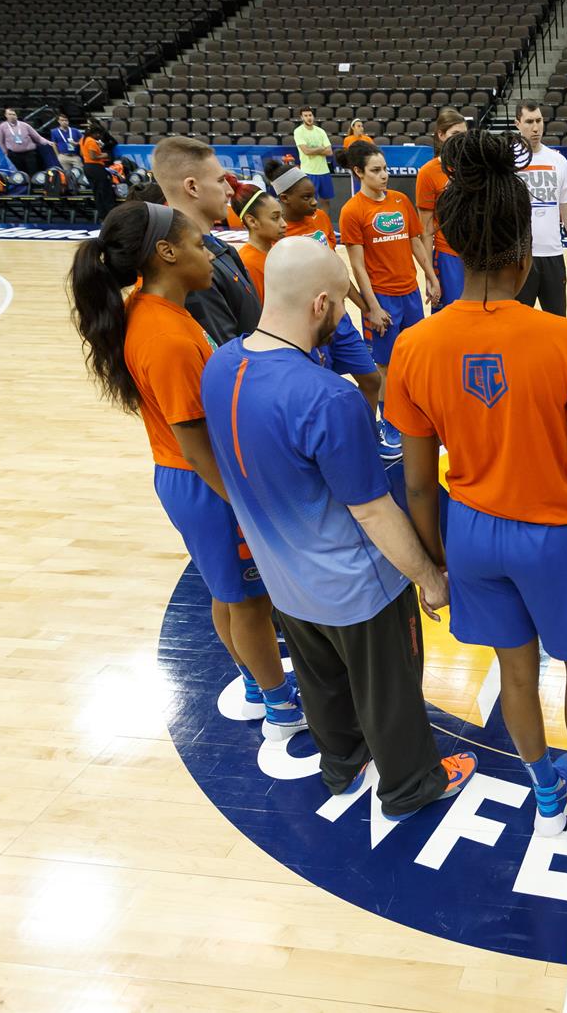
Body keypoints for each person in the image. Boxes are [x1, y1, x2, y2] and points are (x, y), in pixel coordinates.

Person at [385, 129, 567, 850]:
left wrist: (435, 564)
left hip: (469, 531)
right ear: (525, 252)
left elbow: (416, 480)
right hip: (551, 532)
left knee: (515, 670)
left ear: (456, 249)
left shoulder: (415, 346)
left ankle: (547, 791)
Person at [199, 237, 477, 818]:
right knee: (390, 690)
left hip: (285, 580)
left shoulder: (221, 364)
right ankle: (410, 785)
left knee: (321, 680)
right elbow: (373, 509)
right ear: (321, 305)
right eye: (345, 305)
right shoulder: (329, 397)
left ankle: (342, 765)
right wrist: (428, 576)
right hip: (357, 589)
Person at [67, 201, 304, 740]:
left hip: (186, 479)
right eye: (200, 245)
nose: (211, 254)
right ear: (166, 253)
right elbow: (195, 441)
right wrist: (248, 502)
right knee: (249, 602)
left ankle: (253, 684)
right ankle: (281, 709)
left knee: (227, 592)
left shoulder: (151, 311)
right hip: (204, 481)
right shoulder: (166, 337)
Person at [264, 157, 386, 430]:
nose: (315, 203)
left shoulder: (319, 219)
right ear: (285, 198)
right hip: (307, 327)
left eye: (314, 196)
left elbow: (336, 269)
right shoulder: (276, 236)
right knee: (322, 392)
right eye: (306, 198)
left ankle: (368, 434)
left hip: (338, 317)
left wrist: (366, 307)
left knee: (371, 379)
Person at [339, 141, 438, 461]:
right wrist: (372, 307)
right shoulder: (352, 210)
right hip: (382, 298)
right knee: (384, 364)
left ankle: (419, 411)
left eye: (385, 170)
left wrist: (431, 276)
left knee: (415, 357)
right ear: (358, 172)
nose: (384, 176)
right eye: (376, 171)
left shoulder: (400, 200)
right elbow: (357, 264)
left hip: (410, 294)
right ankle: (390, 422)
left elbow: (416, 242)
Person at [152, 136, 260, 344]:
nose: (229, 190)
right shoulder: (189, 268)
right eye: (221, 181)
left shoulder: (221, 248)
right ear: (192, 187)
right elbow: (226, 357)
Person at [513, 100, 567, 316]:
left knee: (557, 320)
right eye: (529, 122)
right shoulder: (507, 160)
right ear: (517, 123)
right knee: (518, 325)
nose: (535, 128)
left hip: (552, 254)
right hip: (519, 256)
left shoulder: (557, 161)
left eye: (539, 121)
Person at [415, 108, 468, 311]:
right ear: (441, 135)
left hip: (474, 253)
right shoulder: (428, 173)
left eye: (464, 135)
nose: (461, 140)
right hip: (447, 256)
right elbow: (426, 228)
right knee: (449, 318)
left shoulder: (474, 166)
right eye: (455, 135)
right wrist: (429, 275)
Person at [231, 183, 284, 300]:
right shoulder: (248, 264)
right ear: (252, 221)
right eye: (275, 218)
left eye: (282, 216)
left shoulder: (278, 249)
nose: (284, 224)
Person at [291, 108, 334, 202]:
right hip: (308, 172)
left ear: (313, 116)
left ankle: (324, 217)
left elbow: (329, 151)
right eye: (306, 116)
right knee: (310, 201)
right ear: (301, 117)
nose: (308, 118)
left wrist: (313, 150)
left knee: (326, 200)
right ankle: (311, 218)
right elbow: (306, 151)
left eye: (310, 115)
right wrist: (320, 148)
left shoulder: (321, 131)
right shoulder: (298, 131)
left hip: (324, 171)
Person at [0, 108, 54, 176]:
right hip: (14, 155)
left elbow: (38, 137)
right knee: (21, 174)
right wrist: (5, 152)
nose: (12, 116)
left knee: (33, 172)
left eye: (14, 114)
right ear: (6, 115)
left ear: (16, 116)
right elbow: (1, 141)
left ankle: (34, 186)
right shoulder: (2, 126)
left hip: (29, 154)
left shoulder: (25, 125)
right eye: (10, 114)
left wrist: (48, 142)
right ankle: (25, 186)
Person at [81, 123, 117, 223]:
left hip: (87, 167)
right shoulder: (91, 141)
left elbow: (83, 154)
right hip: (96, 168)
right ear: (94, 133)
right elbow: (93, 156)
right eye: (98, 134)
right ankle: (111, 216)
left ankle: (103, 216)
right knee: (106, 192)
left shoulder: (83, 140)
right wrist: (105, 155)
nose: (100, 136)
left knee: (97, 193)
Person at [342, 119, 372, 194]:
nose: (361, 128)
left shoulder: (367, 139)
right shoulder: (347, 139)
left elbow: (373, 151)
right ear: (353, 127)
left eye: (362, 126)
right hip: (354, 166)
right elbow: (345, 153)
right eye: (359, 126)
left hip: (365, 165)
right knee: (355, 186)